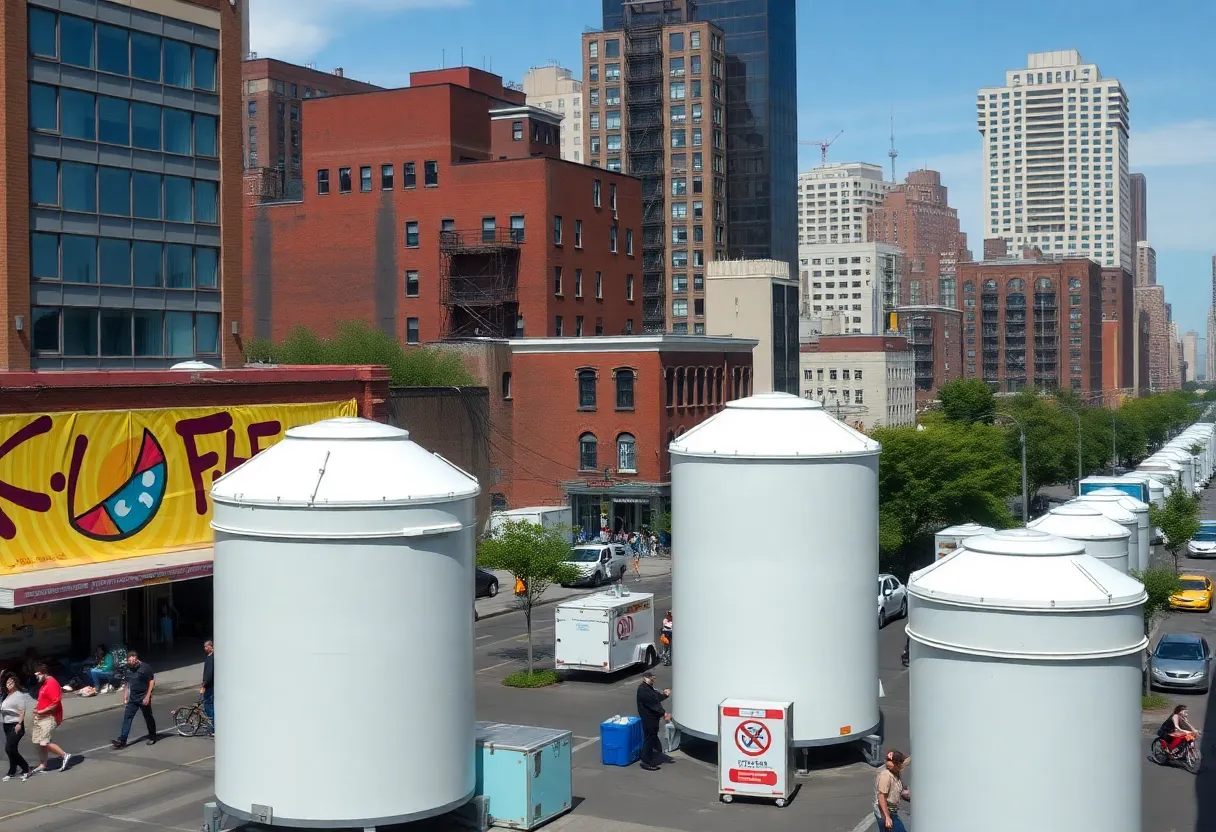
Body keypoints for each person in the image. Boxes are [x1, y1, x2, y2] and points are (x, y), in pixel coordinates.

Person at [30, 663, 72, 774]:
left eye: (38, 676)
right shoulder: (43, 684)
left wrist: (41, 711)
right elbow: (43, 699)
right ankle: (43, 764)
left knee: (44, 742)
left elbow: (55, 703)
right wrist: (37, 708)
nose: (36, 678)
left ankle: (65, 755)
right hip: (40, 717)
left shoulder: (52, 683)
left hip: (49, 717)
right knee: (37, 741)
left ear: (43, 674)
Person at [111, 651, 157, 749]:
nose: (132, 663)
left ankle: (152, 736)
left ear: (136, 659)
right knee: (127, 717)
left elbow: (152, 681)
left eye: (133, 660)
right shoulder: (128, 669)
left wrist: (148, 696)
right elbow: (127, 683)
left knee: (148, 716)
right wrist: (125, 695)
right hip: (133, 698)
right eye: (130, 661)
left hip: (143, 696)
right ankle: (122, 740)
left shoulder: (145, 668)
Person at [635, 671, 670, 771]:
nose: (653, 680)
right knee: (649, 739)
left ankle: (652, 753)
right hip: (648, 719)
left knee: (652, 737)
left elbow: (656, 697)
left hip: (653, 719)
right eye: (651, 678)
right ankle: (646, 761)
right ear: (645, 679)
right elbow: (653, 704)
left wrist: (665, 695)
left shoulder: (649, 688)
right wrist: (664, 713)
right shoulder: (643, 690)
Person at [2, 674, 31, 782]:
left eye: (11, 682)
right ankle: (12, 771)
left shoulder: (18, 695)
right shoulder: (6, 695)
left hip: (16, 724)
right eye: (7, 682)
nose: (9, 684)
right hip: (6, 725)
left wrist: (19, 724)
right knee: (11, 750)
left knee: (9, 748)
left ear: (15, 684)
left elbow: (22, 710)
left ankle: (26, 768)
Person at [875, 750, 911, 831]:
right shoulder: (886, 775)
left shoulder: (895, 769)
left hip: (892, 811)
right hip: (885, 811)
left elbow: (905, 762)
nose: (888, 763)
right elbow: (881, 797)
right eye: (887, 760)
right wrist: (887, 817)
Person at [200, 641, 215, 730]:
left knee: (207, 704)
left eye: (206, 646)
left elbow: (209, 673)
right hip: (211, 684)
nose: (204, 648)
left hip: (209, 685)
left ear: (210, 647)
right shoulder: (213, 656)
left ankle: (213, 724)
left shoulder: (210, 658)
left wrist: (204, 683)